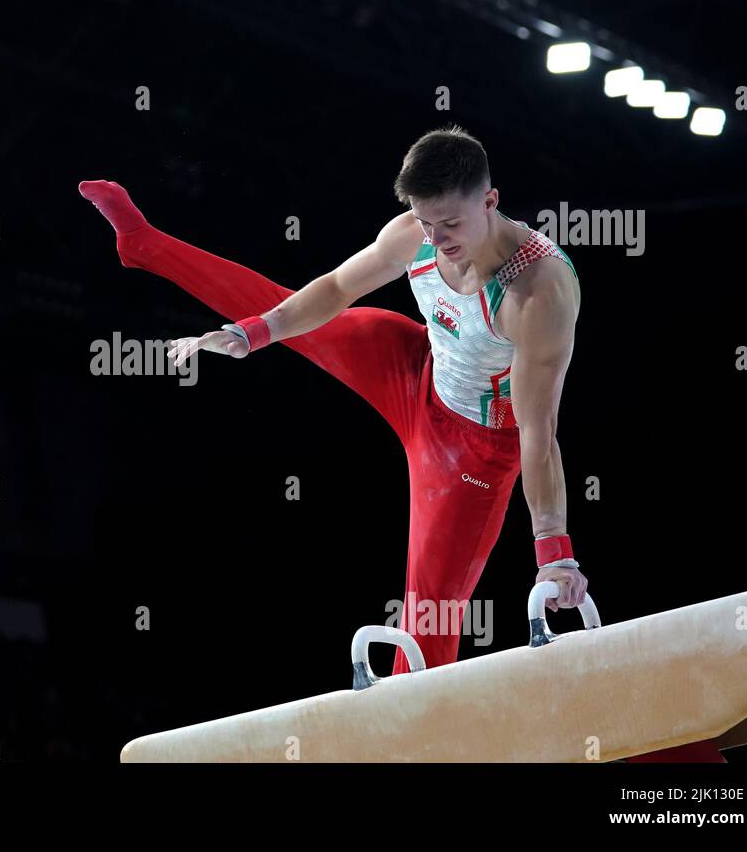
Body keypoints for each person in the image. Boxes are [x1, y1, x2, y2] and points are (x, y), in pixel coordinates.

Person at [79, 124, 588, 675]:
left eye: (450, 223)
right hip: (412, 366)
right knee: (282, 316)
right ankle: (144, 244)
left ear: (490, 201)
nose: (437, 239)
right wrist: (252, 334)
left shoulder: (537, 292)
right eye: (425, 221)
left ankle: (404, 740)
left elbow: (538, 430)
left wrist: (552, 552)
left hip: (477, 444)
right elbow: (337, 288)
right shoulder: (410, 235)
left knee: (431, 610)